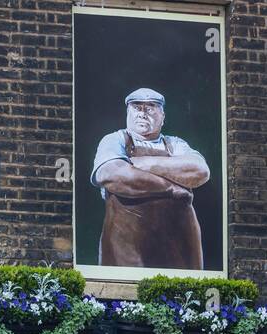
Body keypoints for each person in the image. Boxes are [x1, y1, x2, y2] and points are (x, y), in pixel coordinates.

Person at [90, 88, 210, 269]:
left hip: (179, 247)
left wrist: (142, 162)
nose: (143, 113)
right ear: (128, 113)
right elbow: (111, 175)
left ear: (163, 116)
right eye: (137, 107)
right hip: (127, 249)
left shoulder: (176, 144)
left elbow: (200, 171)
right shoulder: (114, 140)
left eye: (151, 107)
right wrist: (174, 188)